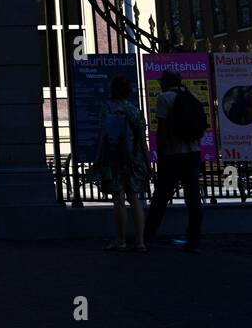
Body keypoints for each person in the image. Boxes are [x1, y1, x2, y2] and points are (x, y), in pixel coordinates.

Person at [84, 76, 149, 252]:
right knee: (135, 199)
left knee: (118, 200)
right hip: (133, 159)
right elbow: (142, 142)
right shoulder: (134, 110)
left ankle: (120, 240)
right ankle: (140, 241)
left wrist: (98, 160)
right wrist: (147, 162)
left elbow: (104, 138)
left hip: (113, 160)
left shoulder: (107, 109)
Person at [146, 70, 206, 252]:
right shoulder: (192, 95)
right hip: (193, 152)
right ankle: (193, 239)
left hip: (173, 154)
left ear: (166, 82)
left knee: (160, 198)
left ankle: (147, 237)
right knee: (194, 198)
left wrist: (159, 152)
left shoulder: (164, 98)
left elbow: (162, 129)